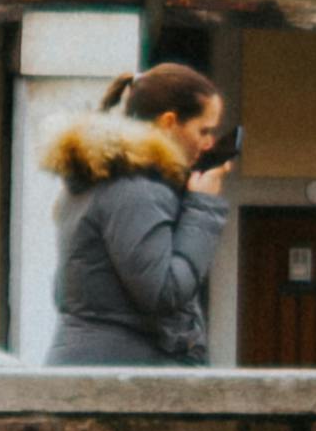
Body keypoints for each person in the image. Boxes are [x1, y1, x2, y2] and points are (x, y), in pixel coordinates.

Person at [44, 62, 235, 366]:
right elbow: (162, 292)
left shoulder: (102, 178)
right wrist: (202, 207)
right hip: (120, 378)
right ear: (170, 122)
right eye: (204, 130)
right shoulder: (136, 188)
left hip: (96, 366)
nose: (210, 143)